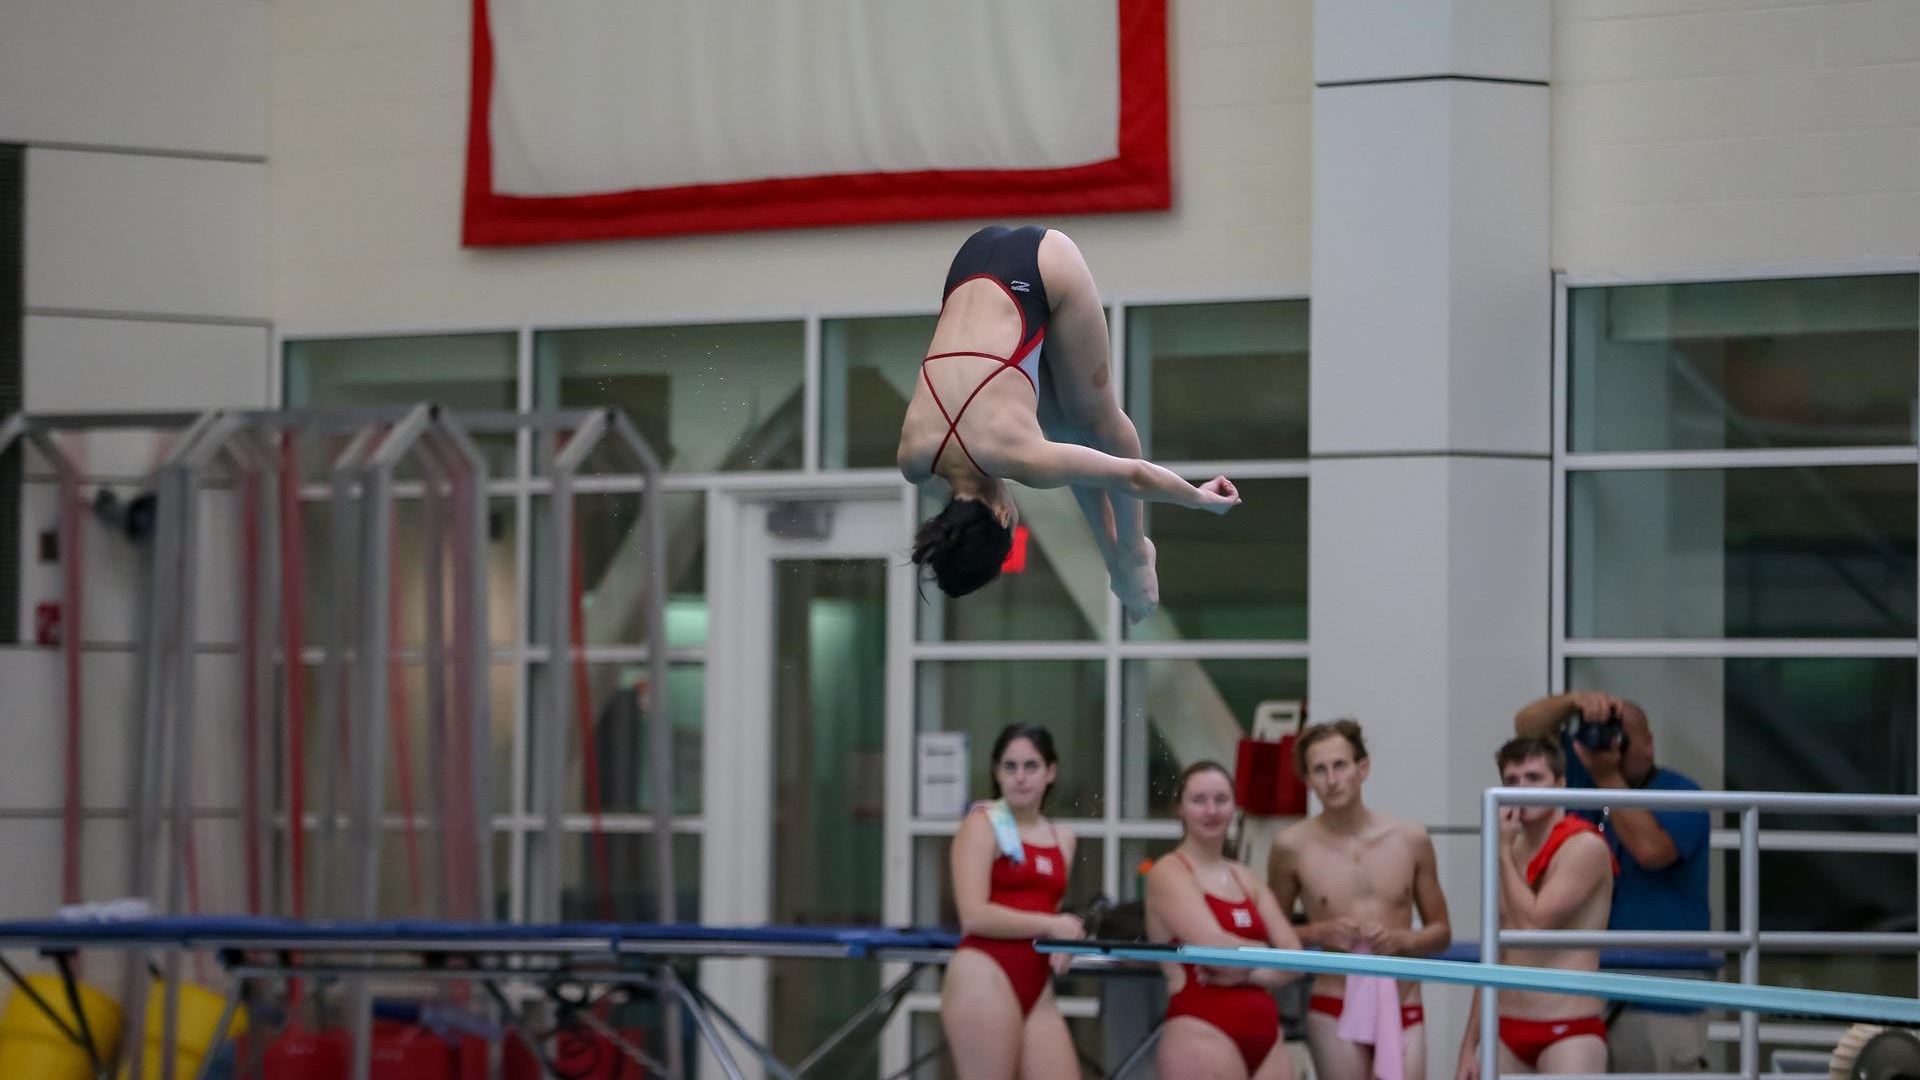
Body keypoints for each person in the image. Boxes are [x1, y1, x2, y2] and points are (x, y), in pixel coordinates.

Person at [898, 225, 1241, 617]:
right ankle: (1115, 555)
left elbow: (1133, 475)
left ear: (1004, 516)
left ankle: (1132, 554)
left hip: (1044, 263)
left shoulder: (1017, 455)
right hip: (969, 263)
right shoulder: (914, 462)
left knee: (1094, 420)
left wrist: (1200, 499)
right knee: (1059, 428)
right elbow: (956, 496)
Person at [1515, 691, 1712, 1073]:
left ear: (1649, 744)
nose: (1611, 749)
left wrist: (1608, 777)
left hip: (1662, 996)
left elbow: (1650, 851)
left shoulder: (1681, 792)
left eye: (1622, 739)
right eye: (1603, 737)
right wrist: (1575, 703)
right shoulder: (1582, 777)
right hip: (1590, 991)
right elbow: (1526, 727)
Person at [1269, 720, 1452, 1080]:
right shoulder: (1291, 847)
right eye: (1319, 770)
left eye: (1340, 765)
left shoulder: (1410, 839)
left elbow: (1442, 931)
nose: (1331, 779)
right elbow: (1270, 933)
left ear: (1362, 769)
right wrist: (1319, 932)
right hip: (1334, 999)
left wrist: (1401, 939)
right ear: (1308, 780)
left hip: (1402, 998)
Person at [1457, 738, 1617, 1080]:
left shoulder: (1584, 845)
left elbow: (1535, 925)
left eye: (1533, 778)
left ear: (1560, 784)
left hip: (1568, 1028)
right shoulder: (1509, 849)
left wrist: (1500, 850)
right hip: (1505, 1027)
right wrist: (1469, 1045)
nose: (1522, 790)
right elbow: (1494, 952)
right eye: (1512, 781)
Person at [941, 723, 1084, 1079]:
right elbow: (973, 915)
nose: (1020, 777)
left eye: (1031, 766)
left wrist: (1065, 939)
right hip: (985, 973)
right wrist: (1052, 925)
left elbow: (1046, 910)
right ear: (996, 772)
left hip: (1037, 984)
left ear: (1051, 772)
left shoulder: (1063, 838)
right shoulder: (982, 825)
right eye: (1010, 766)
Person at [1146, 761, 1304, 1080]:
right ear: (1180, 809)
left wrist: (1244, 971)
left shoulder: (1245, 876)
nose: (1211, 810)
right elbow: (1214, 947)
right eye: (1199, 800)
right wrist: (1266, 956)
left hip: (1267, 1036)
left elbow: (1296, 958)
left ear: (1234, 806)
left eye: (1221, 799)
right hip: (1202, 1029)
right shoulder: (1169, 872)